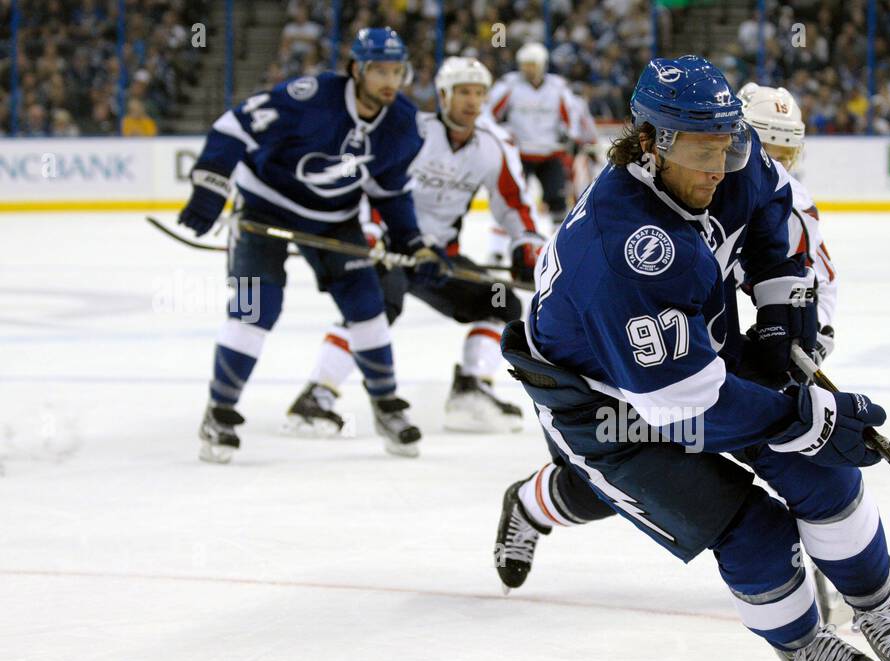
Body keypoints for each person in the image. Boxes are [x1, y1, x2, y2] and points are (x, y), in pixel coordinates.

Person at [497, 56, 890, 661]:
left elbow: (771, 208)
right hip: (602, 413)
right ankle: (803, 643)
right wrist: (806, 419)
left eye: (727, 147)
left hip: (694, 359)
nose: (718, 168)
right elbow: (683, 407)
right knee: (744, 524)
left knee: (822, 471)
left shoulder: (730, 146)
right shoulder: (624, 251)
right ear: (649, 142)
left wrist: (784, 315)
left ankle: (876, 607)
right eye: (701, 152)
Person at [178, 28, 438, 462]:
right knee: (253, 307)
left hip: (336, 221)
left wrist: (412, 242)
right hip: (263, 210)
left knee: (367, 305)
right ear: (356, 70)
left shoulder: (402, 125)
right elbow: (232, 127)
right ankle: (219, 412)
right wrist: (210, 186)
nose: (390, 80)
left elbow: (390, 192)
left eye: (397, 70)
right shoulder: (309, 98)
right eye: (379, 70)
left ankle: (387, 407)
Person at [285, 56, 546, 436]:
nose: (472, 102)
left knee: (499, 300)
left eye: (478, 93)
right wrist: (370, 236)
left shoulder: (493, 146)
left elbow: (515, 205)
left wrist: (526, 246)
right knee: (373, 309)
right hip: (391, 247)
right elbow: (368, 184)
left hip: (438, 258)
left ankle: (471, 390)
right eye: (462, 93)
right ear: (442, 95)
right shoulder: (411, 133)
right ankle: (315, 397)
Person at [486, 41, 598, 264]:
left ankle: (562, 248)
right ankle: (497, 249)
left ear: (543, 64)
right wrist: (501, 135)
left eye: (533, 64)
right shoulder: (509, 86)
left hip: (550, 154)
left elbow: (570, 117)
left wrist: (571, 136)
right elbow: (488, 114)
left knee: (557, 202)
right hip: (519, 155)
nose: (529, 69)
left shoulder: (557, 88)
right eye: (525, 64)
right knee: (510, 201)